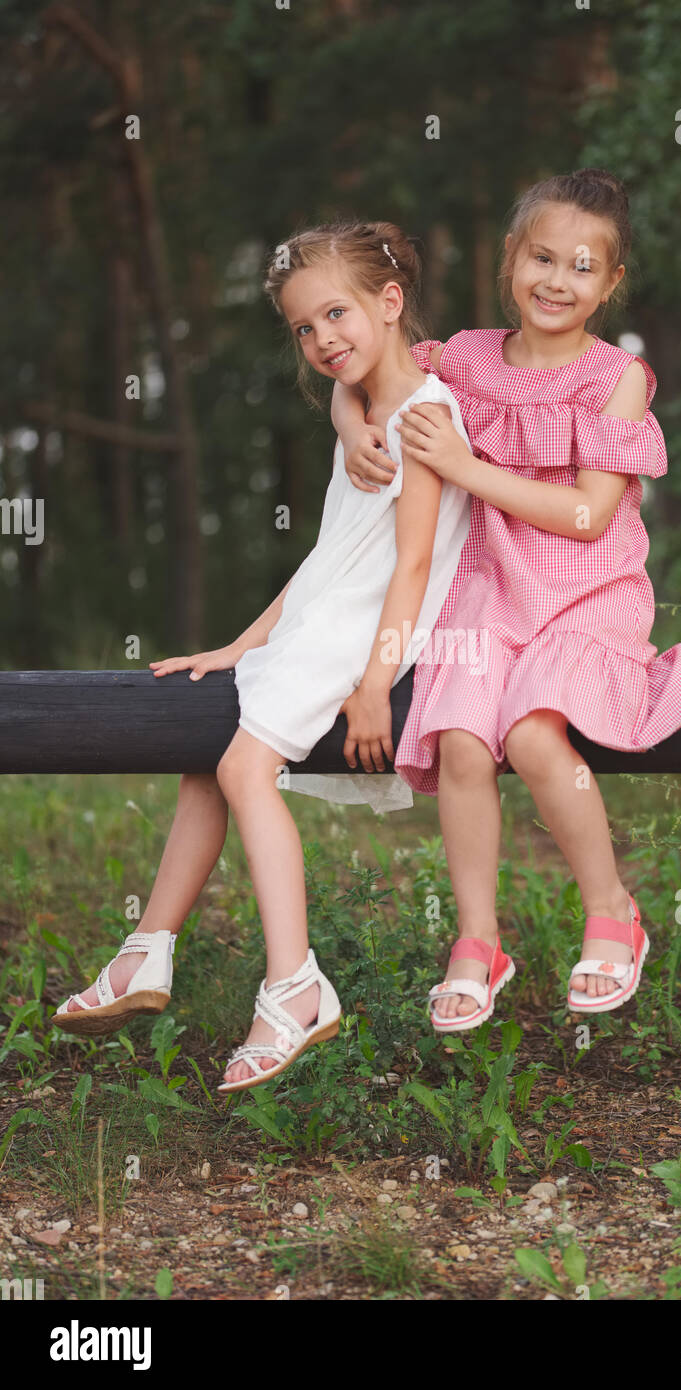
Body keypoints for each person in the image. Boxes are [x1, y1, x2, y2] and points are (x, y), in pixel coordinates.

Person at [53, 220, 473, 1088]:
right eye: (303, 329)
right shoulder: (358, 411)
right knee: (204, 761)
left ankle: (293, 984)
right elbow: (332, 558)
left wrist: (375, 683)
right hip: (323, 621)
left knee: (246, 771)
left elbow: (415, 563)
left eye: (336, 316)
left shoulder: (426, 417)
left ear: (390, 304)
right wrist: (244, 642)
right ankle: (148, 950)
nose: (323, 341)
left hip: (367, 638)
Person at [332, 170, 681, 1032]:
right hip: (484, 586)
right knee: (463, 741)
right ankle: (479, 940)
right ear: (509, 258)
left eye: (583, 267)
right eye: (542, 258)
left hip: (587, 591)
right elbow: (369, 360)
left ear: (610, 283)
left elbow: (590, 515)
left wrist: (466, 467)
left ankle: (611, 910)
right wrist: (348, 420)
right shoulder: (468, 357)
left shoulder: (616, 377)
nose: (558, 281)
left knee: (530, 729)